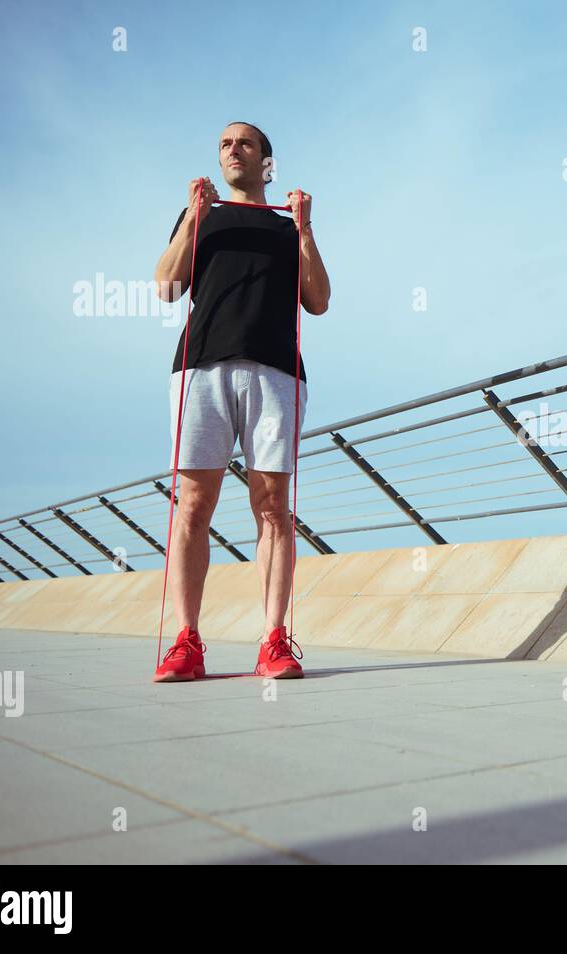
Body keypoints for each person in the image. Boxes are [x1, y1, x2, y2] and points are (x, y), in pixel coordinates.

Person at [151, 121, 331, 683]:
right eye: (225, 143)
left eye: (245, 143)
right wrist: (192, 218)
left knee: (274, 507)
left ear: (265, 161)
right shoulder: (202, 217)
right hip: (201, 370)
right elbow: (166, 284)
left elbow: (319, 301)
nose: (233, 150)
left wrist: (305, 230)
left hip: (276, 373)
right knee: (193, 507)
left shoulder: (286, 225)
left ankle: (274, 640)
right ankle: (186, 641)